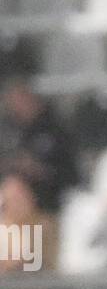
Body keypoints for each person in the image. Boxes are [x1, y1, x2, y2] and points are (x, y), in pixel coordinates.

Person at [0, 81, 79, 213]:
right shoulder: (6, 129)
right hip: (8, 193)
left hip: (48, 198)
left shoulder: (56, 130)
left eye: (23, 100)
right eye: (14, 102)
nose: (19, 106)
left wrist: (38, 170)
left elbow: (70, 174)